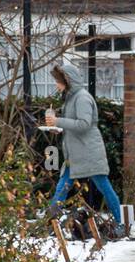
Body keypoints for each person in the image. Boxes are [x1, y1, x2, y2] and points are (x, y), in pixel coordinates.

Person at [46, 62, 124, 235]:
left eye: (58, 81)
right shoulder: (71, 98)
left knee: (104, 186)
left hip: (88, 153)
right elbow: (74, 125)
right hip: (74, 155)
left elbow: (84, 124)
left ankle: (120, 224)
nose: (56, 84)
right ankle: (50, 225)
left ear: (68, 81)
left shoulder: (82, 98)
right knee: (62, 188)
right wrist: (59, 128)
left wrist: (58, 121)